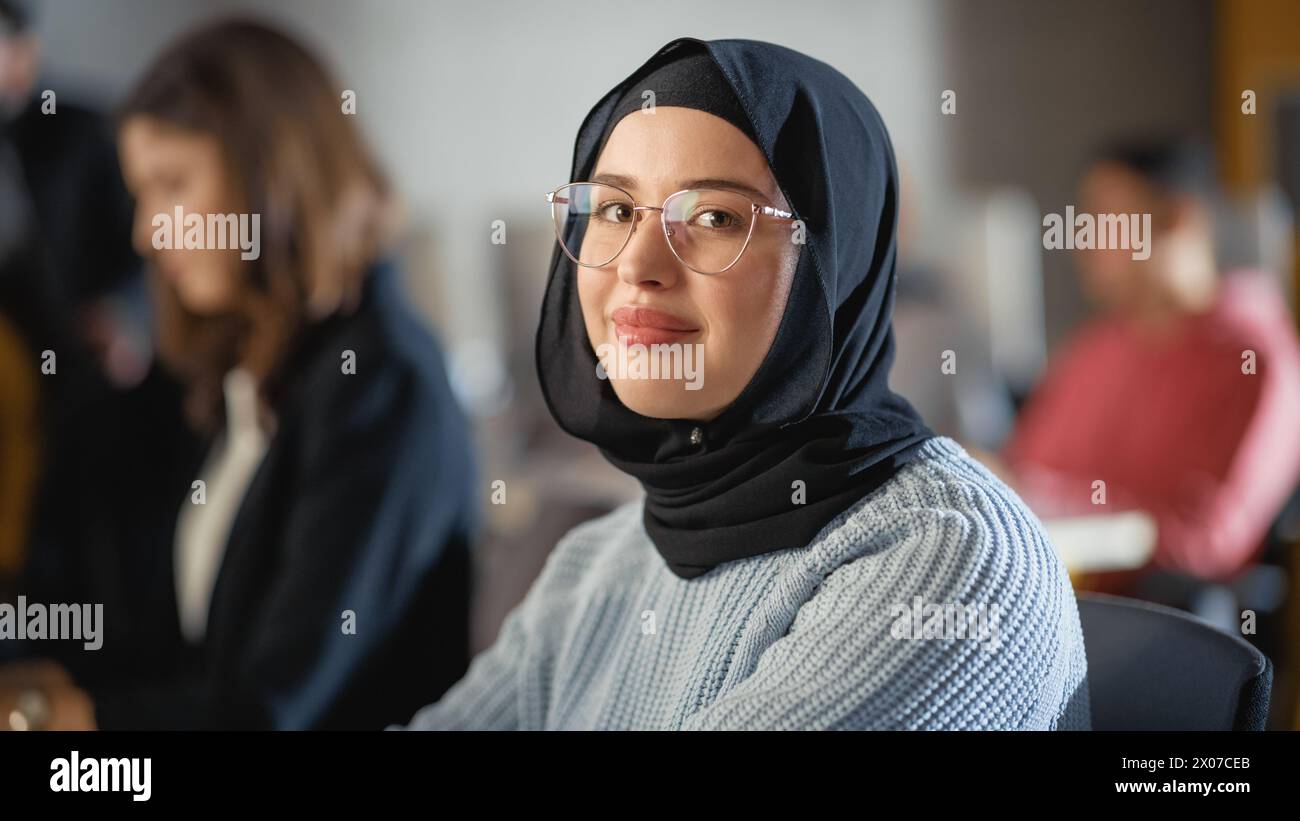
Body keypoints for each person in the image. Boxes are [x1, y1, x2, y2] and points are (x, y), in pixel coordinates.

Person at [401, 37, 1089, 730]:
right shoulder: (599, 563)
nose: (638, 264)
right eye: (613, 210)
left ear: (834, 259)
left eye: (714, 217)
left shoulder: (945, 560)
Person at [1, 19, 476, 730]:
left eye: (172, 185)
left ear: (269, 171)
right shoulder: (247, 372)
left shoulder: (382, 382)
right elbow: (174, 656)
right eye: (141, 193)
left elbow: (274, 706)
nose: (146, 232)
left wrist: (60, 723)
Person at [999, 138, 1300, 597]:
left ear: (1179, 218)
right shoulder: (1093, 349)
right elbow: (1021, 475)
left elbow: (1210, 541)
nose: (1085, 241)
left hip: (1152, 621)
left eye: (1105, 219)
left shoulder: (1252, 360)